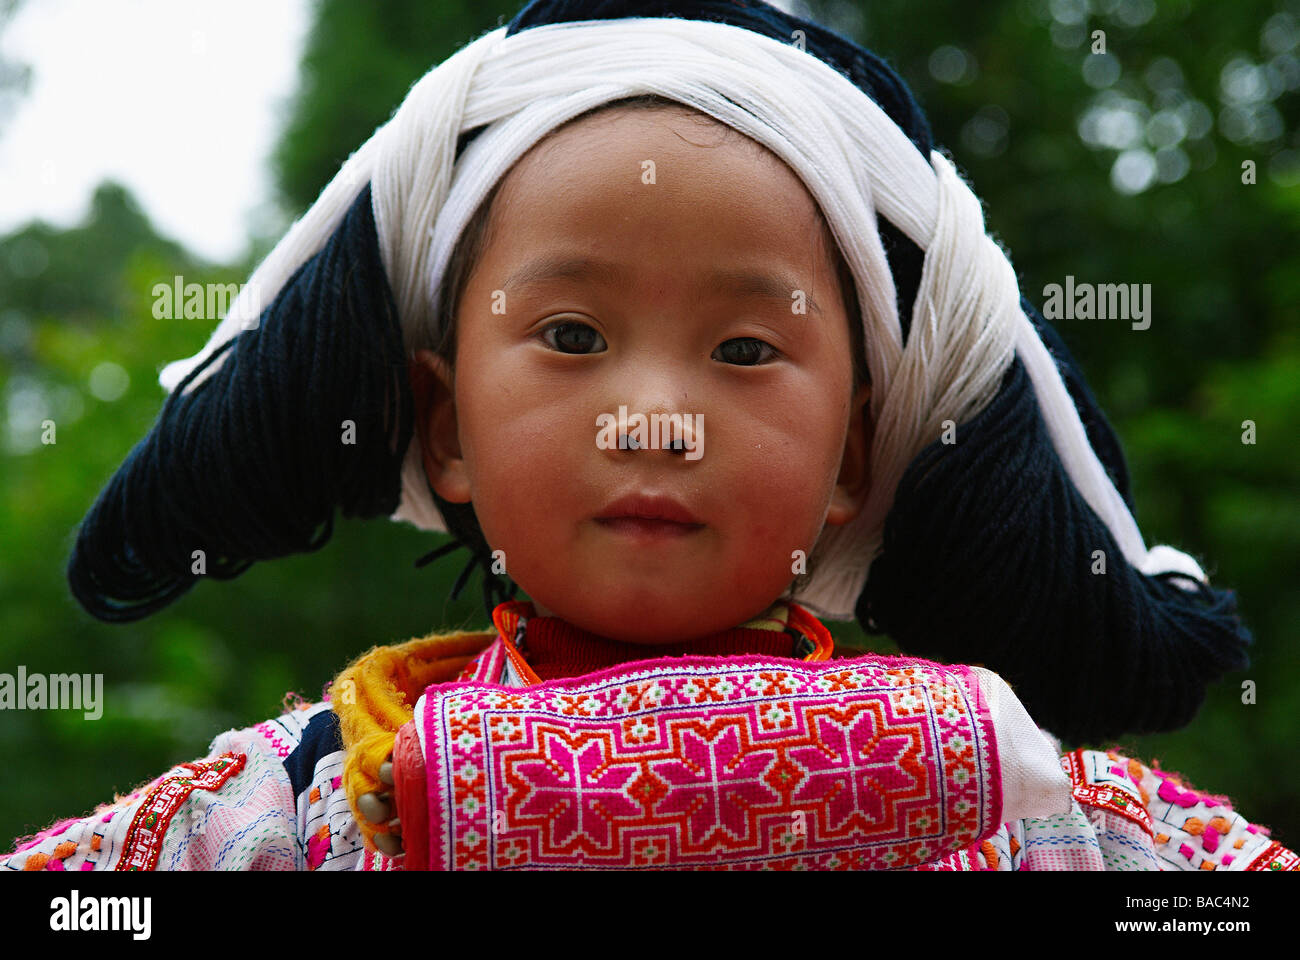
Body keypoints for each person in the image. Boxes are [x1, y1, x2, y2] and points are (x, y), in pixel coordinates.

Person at [5, 0, 1292, 872]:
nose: (655, 417)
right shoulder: (278, 818)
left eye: (744, 351)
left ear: (852, 457)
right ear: (446, 426)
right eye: (569, 337)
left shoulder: (1056, 828)